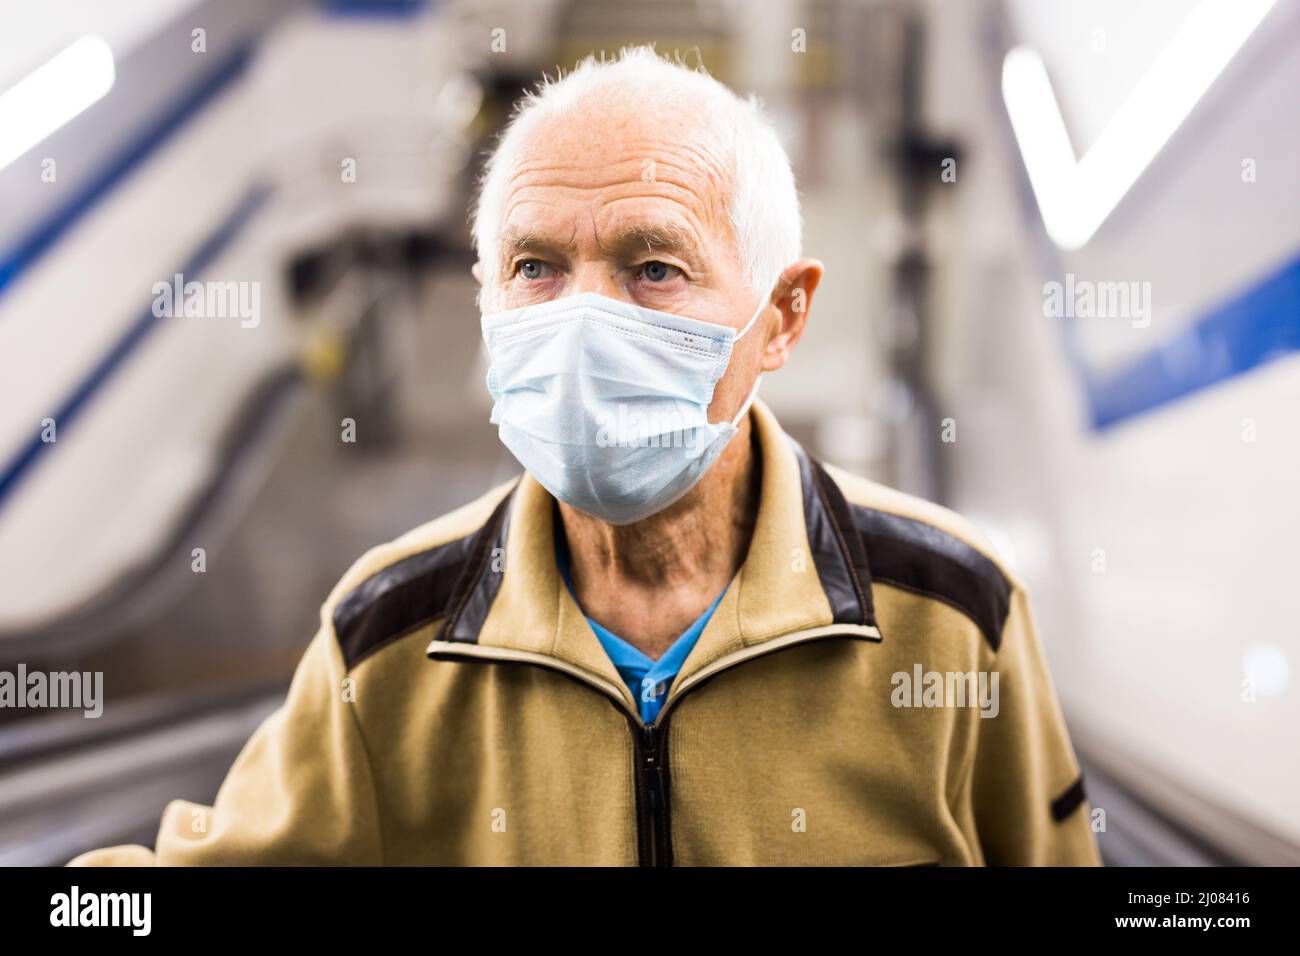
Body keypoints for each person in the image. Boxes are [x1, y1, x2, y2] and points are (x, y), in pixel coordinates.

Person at [72, 47, 1100, 866]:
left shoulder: (952, 612)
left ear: (780, 318)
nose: (581, 323)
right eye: (535, 267)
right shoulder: (389, 635)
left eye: (653, 266)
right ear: (483, 296)